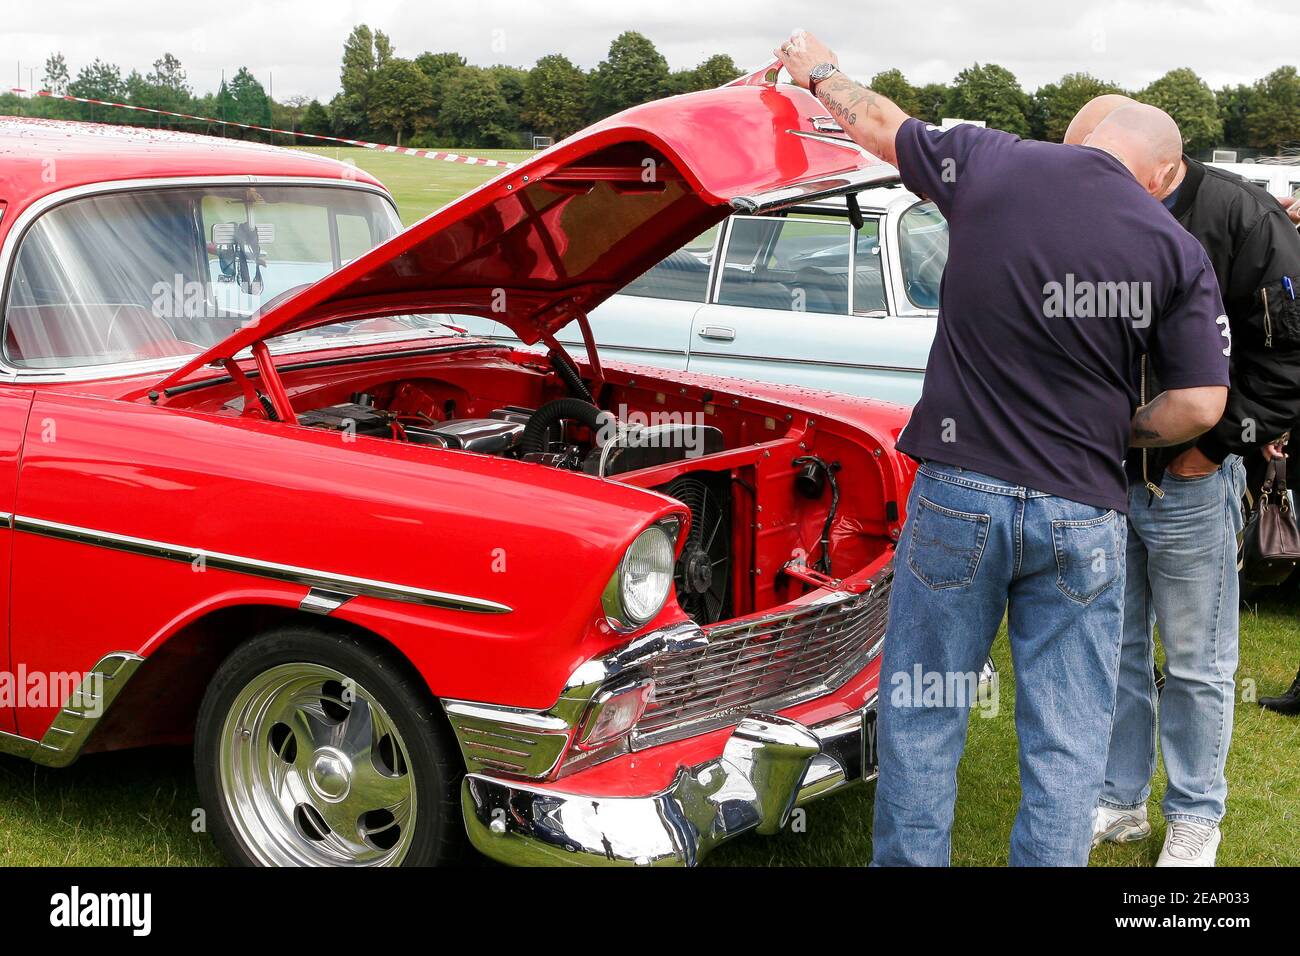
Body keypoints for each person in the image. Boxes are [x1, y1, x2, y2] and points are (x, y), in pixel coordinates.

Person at [774, 30, 1230, 867]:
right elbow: (1202, 402)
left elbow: (878, 123)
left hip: (960, 495)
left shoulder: (992, 160)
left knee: (926, 709)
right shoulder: (1175, 245)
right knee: (1067, 732)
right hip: (1084, 511)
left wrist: (820, 72)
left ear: (1079, 139)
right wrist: (1121, 431)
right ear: (1162, 175)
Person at [1066, 95, 1300, 864]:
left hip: (1192, 482)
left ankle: (1197, 812)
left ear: (1164, 166)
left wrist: (1216, 446)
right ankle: (1120, 797)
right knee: (1115, 646)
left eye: (1112, 168)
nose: (1094, 183)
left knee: (1197, 659)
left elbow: (1287, 355)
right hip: (1099, 473)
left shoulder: (1240, 215)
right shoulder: (1090, 197)